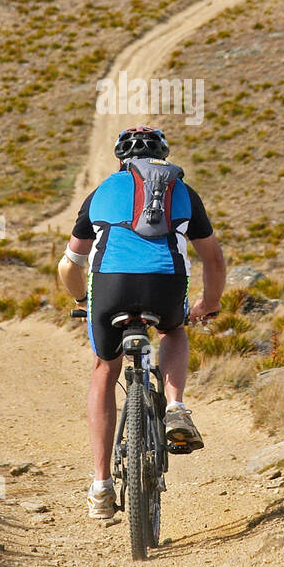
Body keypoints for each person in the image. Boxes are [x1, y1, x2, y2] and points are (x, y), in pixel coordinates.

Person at [57, 126, 226, 520]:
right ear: (163, 158)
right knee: (172, 330)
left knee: (104, 367)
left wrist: (83, 299)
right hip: (164, 285)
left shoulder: (100, 192)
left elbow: (69, 265)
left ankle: (100, 487)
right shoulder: (182, 192)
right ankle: (177, 407)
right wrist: (210, 302)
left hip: (110, 288)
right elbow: (213, 259)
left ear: (120, 160)